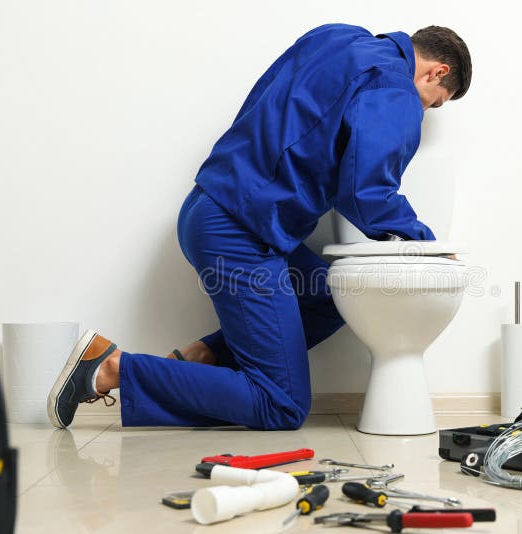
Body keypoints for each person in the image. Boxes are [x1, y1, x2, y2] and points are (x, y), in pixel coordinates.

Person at [47, 23, 472, 430]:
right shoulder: (394, 89)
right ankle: (111, 367)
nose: (424, 108)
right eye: (433, 101)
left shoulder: (335, 37)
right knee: (281, 404)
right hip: (240, 233)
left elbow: (261, 102)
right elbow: (366, 191)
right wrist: (426, 244)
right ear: (439, 71)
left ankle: (204, 356)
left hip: (213, 208)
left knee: (330, 296)